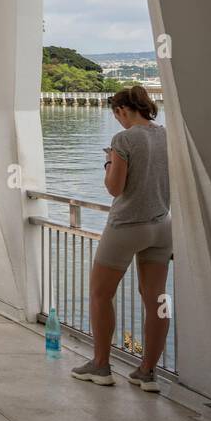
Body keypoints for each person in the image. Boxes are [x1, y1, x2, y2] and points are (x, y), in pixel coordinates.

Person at [72, 87, 171, 391]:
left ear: (123, 110)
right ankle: (148, 372)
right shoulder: (166, 134)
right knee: (156, 298)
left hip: (127, 225)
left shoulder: (124, 139)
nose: (117, 119)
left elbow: (115, 188)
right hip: (161, 225)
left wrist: (108, 163)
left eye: (116, 113)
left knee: (101, 294)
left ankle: (101, 365)